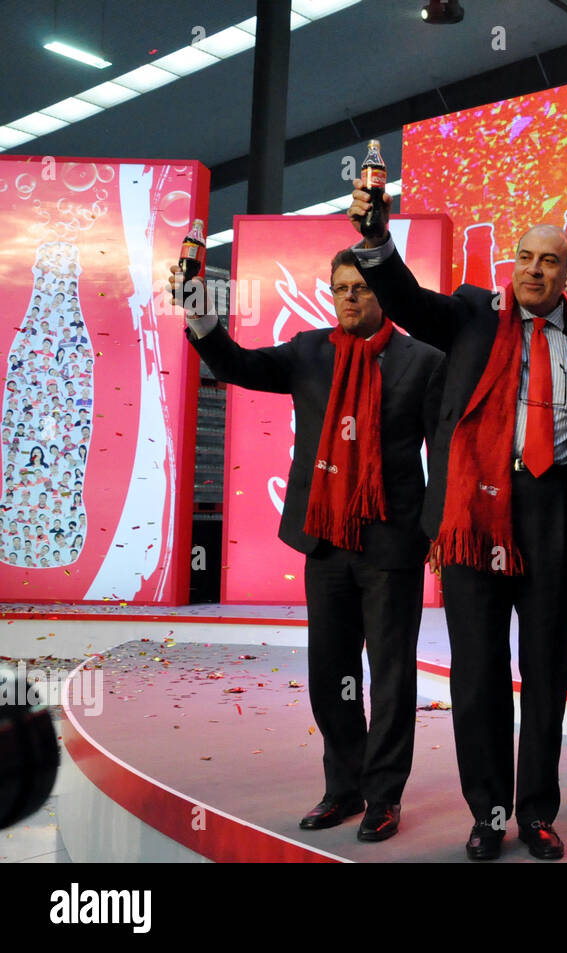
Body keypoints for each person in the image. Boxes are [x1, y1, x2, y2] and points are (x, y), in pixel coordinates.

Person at [346, 183, 567, 861]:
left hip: (552, 512)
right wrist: (377, 242)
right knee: (476, 675)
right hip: (475, 515)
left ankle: (536, 812)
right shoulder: (474, 313)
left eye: (550, 261)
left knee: (546, 671)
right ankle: (489, 811)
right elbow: (410, 302)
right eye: (525, 257)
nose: (534, 269)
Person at [176, 249, 445, 843]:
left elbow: (443, 451)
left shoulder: (423, 360)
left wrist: (432, 532)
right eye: (341, 287)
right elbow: (238, 365)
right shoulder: (308, 352)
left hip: (391, 543)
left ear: (384, 295)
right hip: (324, 539)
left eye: (363, 288)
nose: (350, 297)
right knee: (331, 673)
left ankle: (383, 796)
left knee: (391, 676)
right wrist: (197, 311)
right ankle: (343, 788)